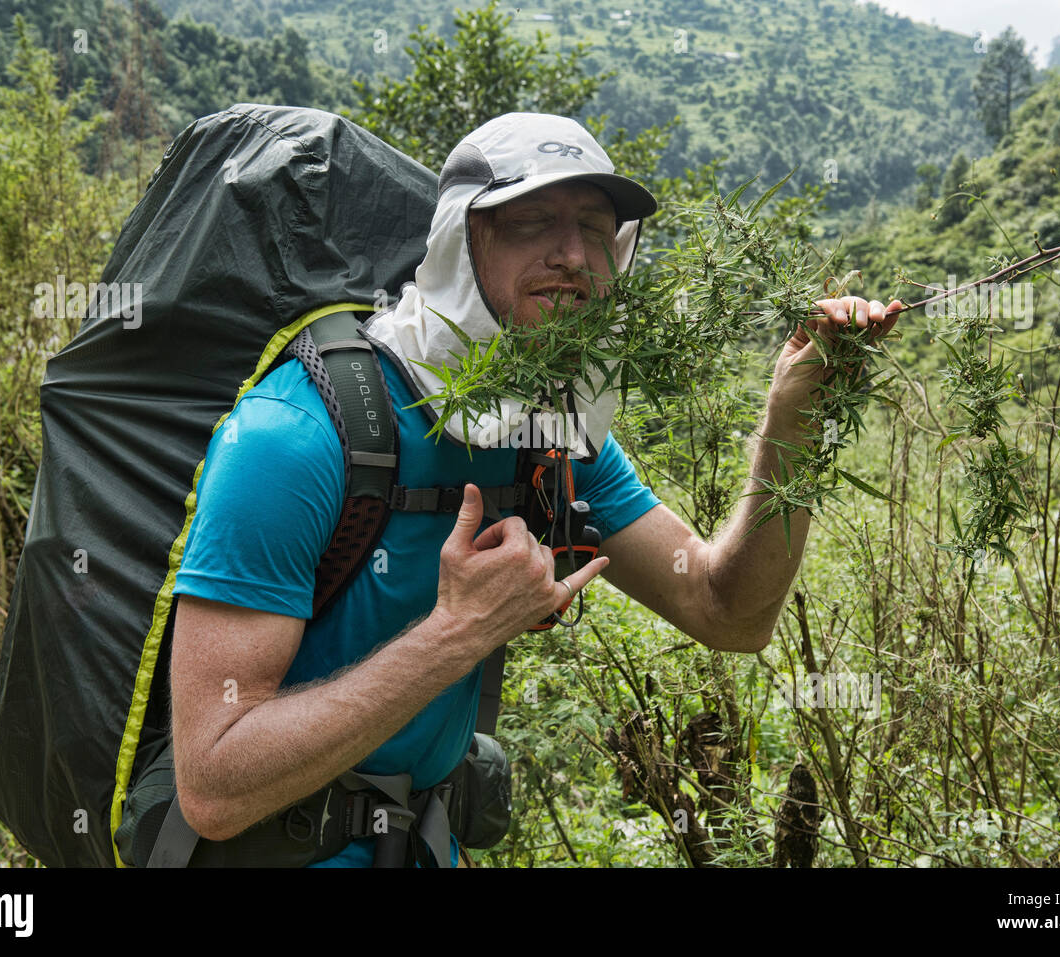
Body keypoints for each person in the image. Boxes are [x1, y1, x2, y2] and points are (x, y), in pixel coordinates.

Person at [166, 112, 902, 866]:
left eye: (595, 225)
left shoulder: (552, 435)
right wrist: (457, 634)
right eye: (531, 221)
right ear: (463, 238)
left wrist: (795, 419)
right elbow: (214, 784)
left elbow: (728, 610)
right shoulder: (295, 434)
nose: (574, 254)